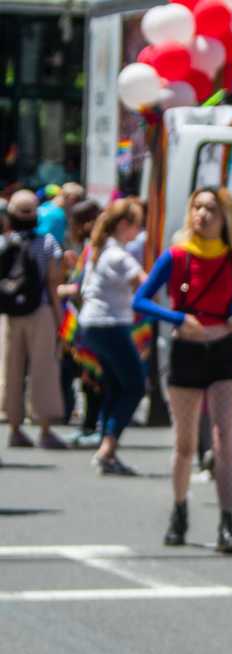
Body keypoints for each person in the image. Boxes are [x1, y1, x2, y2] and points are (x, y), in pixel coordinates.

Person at [134, 186, 232, 553]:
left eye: (210, 209)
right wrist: (180, 317)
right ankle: (179, 512)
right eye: (197, 207)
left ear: (224, 218)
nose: (202, 214)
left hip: (224, 353)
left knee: (223, 440)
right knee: (184, 444)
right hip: (186, 350)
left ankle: (227, 524)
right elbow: (141, 300)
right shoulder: (177, 256)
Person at [76, 199, 148, 476]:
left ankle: (108, 449)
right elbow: (145, 283)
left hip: (93, 325)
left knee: (116, 386)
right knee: (134, 387)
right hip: (110, 324)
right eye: (136, 225)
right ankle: (107, 447)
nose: (139, 231)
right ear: (123, 225)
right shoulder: (119, 255)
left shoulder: (100, 250)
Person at [2, 190, 67, 449]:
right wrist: (59, 318)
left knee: (10, 369)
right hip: (39, 311)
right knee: (43, 369)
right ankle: (45, 428)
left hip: (8, 314)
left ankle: (14, 427)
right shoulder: (48, 242)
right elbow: (54, 283)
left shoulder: (3, 243)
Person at [58, 199, 103, 435]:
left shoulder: (95, 248)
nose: (70, 230)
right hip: (83, 322)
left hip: (89, 322)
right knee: (88, 373)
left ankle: (90, 423)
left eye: (72, 224)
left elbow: (83, 288)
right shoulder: (91, 247)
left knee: (90, 373)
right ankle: (89, 422)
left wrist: (60, 289)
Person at [36, 182, 83, 246]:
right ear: (71, 198)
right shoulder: (57, 215)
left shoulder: (43, 207)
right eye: (77, 200)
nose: (77, 204)